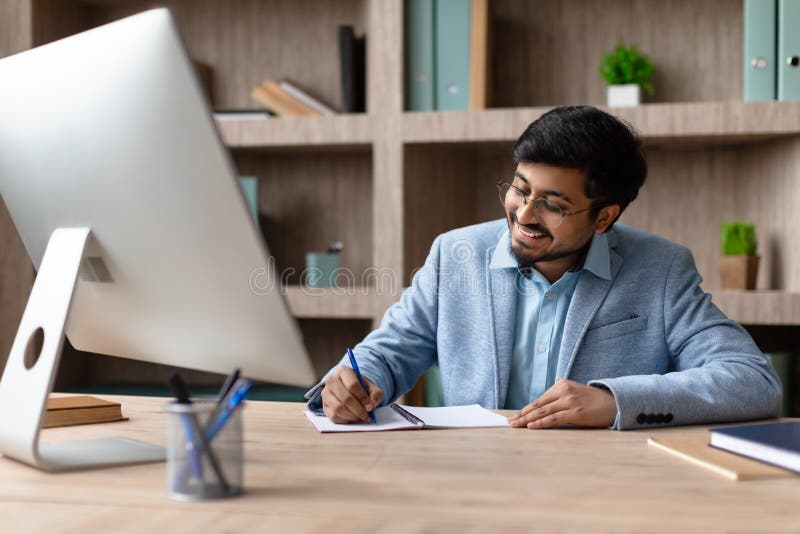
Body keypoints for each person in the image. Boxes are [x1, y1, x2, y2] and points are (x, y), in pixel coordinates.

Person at [305, 105, 782, 430]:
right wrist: (356, 380)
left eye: (552, 204)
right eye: (520, 189)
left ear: (604, 217)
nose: (525, 215)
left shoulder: (660, 269)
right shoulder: (456, 254)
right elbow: (391, 351)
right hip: (472, 478)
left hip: (603, 489)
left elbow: (752, 380)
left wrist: (614, 400)